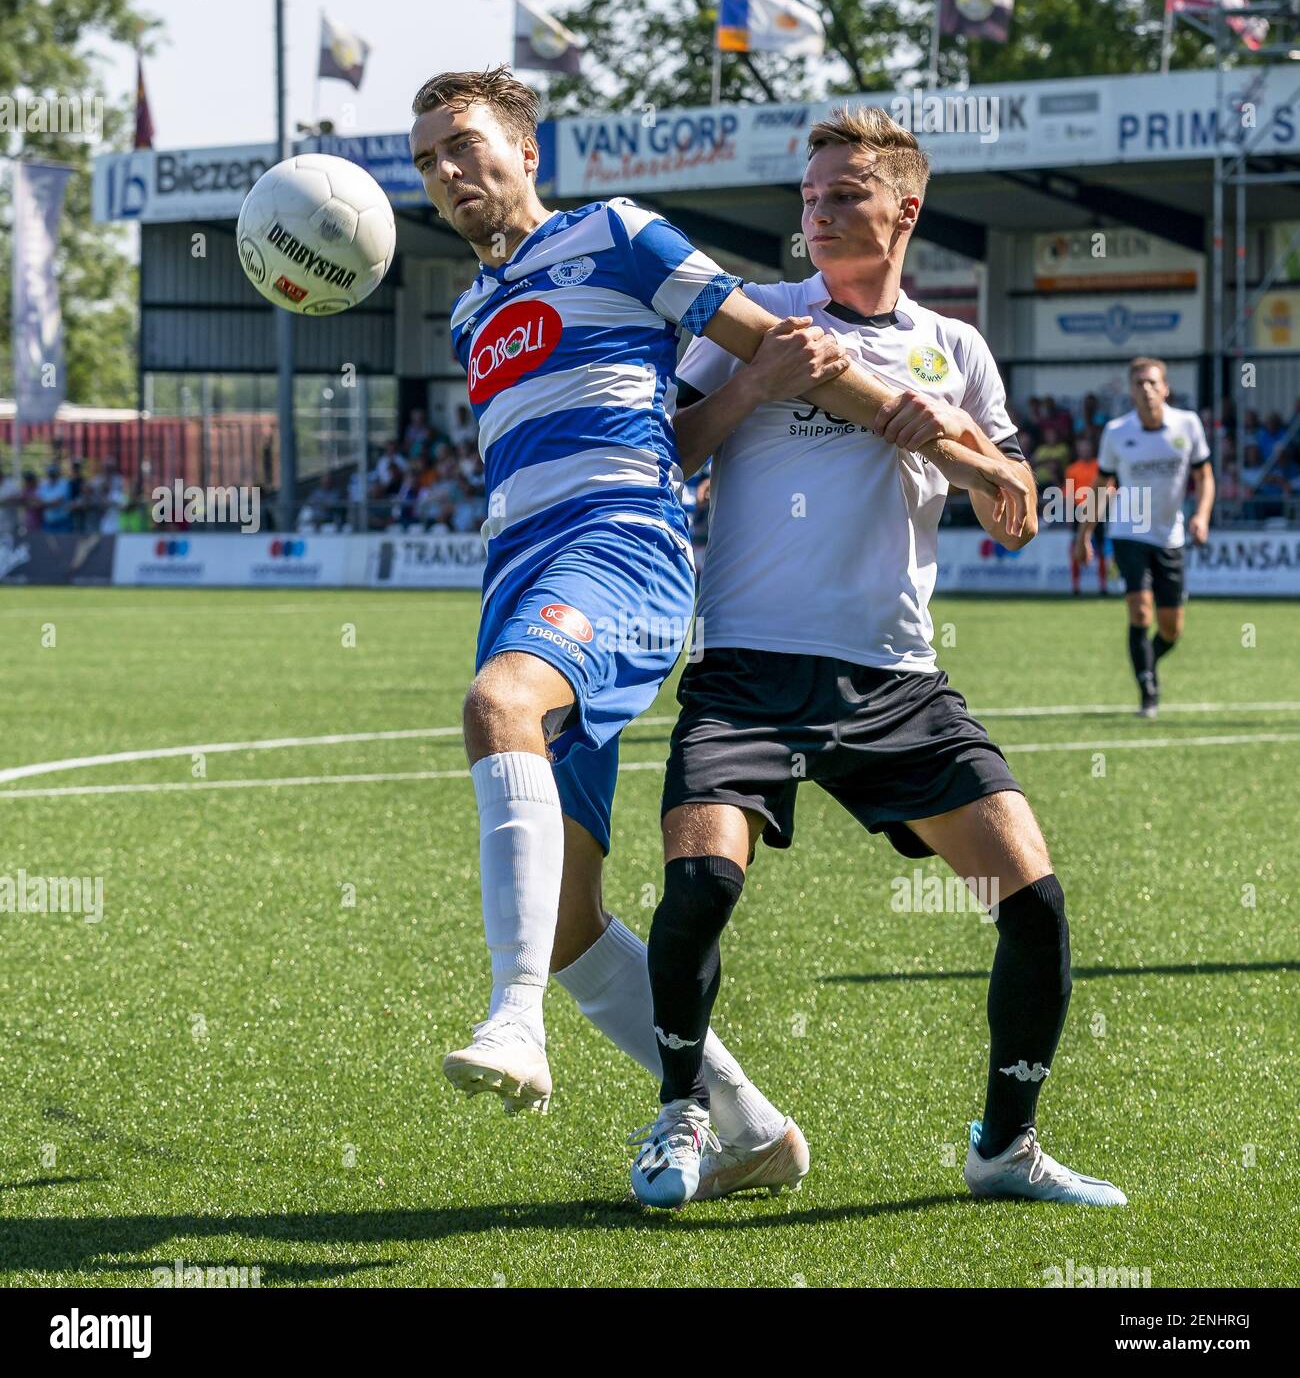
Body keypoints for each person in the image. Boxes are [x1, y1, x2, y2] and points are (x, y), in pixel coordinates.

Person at [411, 68, 1032, 1202]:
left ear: (526, 151)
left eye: (463, 146)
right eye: (426, 162)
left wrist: (967, 460)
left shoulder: (621, 235)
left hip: (621, 551)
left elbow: (787, 350)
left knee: (497, 706)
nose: (446, 173)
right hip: (518, 575)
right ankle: (747, 1127)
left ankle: (513, 1024)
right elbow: (740, 385)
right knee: (568, 924)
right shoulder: (469, 310)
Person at [630, 105, 1125, 1211]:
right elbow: (662, 453)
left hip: (897, 682)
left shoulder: (954, 351)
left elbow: (1019, 513)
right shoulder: (757, 322)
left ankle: (1005, 1145)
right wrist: (756, 386)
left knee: (1033, 905)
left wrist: (948, 448)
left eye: (844, 193)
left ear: (905, 209)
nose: (817, 212)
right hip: (749, 668)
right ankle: (680, 1115)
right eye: (808, 195)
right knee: (701, 882)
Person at [1074, 357, 1215, 718]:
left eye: (1153, 382)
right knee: (1140, 611)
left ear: (1165, 388)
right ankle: (1147, 692)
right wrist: (1084, 535)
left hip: (1171, 535)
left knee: (1171, 629)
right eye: (1139, 383)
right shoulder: (1117, 432)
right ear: (1131, 391)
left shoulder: (1188, 424)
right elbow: (1102, 486)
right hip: (1128, 530)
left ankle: (1147, 663)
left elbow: (1206, 478)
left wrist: (1201, 515)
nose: (1147, 389)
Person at [1065, 439, 1107, 595]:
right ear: (1078, 450)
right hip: (1078, 511)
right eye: (1081, 448)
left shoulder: (1100, 466)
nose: (1085, 451)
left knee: (1101, 549)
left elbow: (1109, 488)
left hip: (1098, 511)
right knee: (1076, 548)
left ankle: (1103, 586)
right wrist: (1070, 516)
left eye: (1087, 447)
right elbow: (1069, 494)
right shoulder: (1072, 469)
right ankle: (1076, 586)